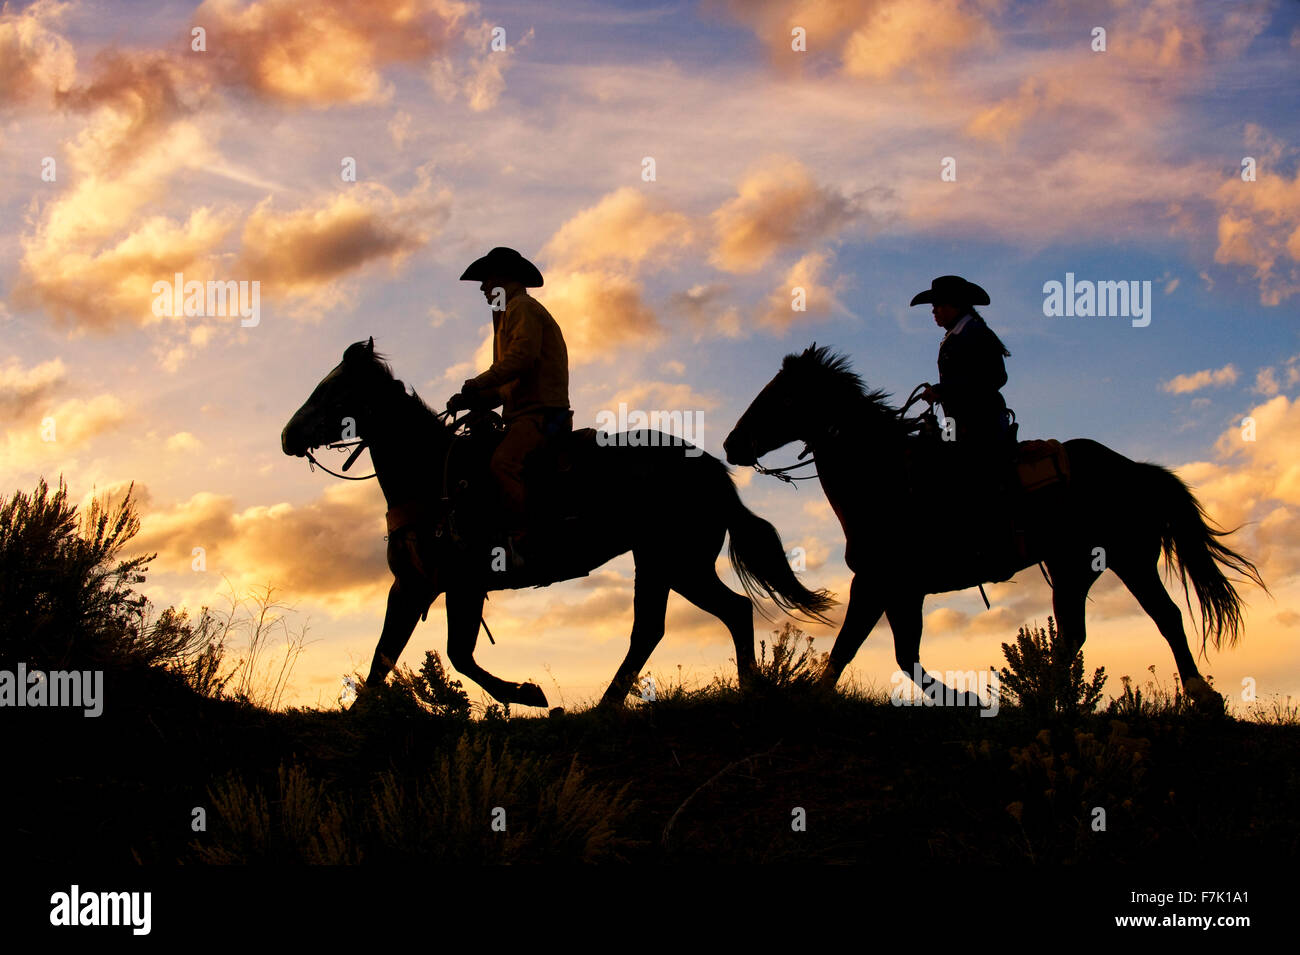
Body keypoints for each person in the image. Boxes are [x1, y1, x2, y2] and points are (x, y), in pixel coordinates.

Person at [449, 247, 571, 569]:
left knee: (503, 463)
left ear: (505, 280)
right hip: (522, 415)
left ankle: (521, 542)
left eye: (487, 281)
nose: (482, 289)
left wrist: (477, 383)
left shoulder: (522, 308)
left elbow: (521, 360)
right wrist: (472, 399)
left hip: (541, 415)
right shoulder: (506, 319)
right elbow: (506, 385)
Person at [910, 274, 1016, 577]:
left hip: (981, 422)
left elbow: (995, 377)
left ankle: (989, 545)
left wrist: (944, 391)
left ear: (956, 305)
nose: (934, 312)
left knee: (971, 474)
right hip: (960, 422)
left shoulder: (976, 333)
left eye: (939, 305)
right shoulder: (958, 334)